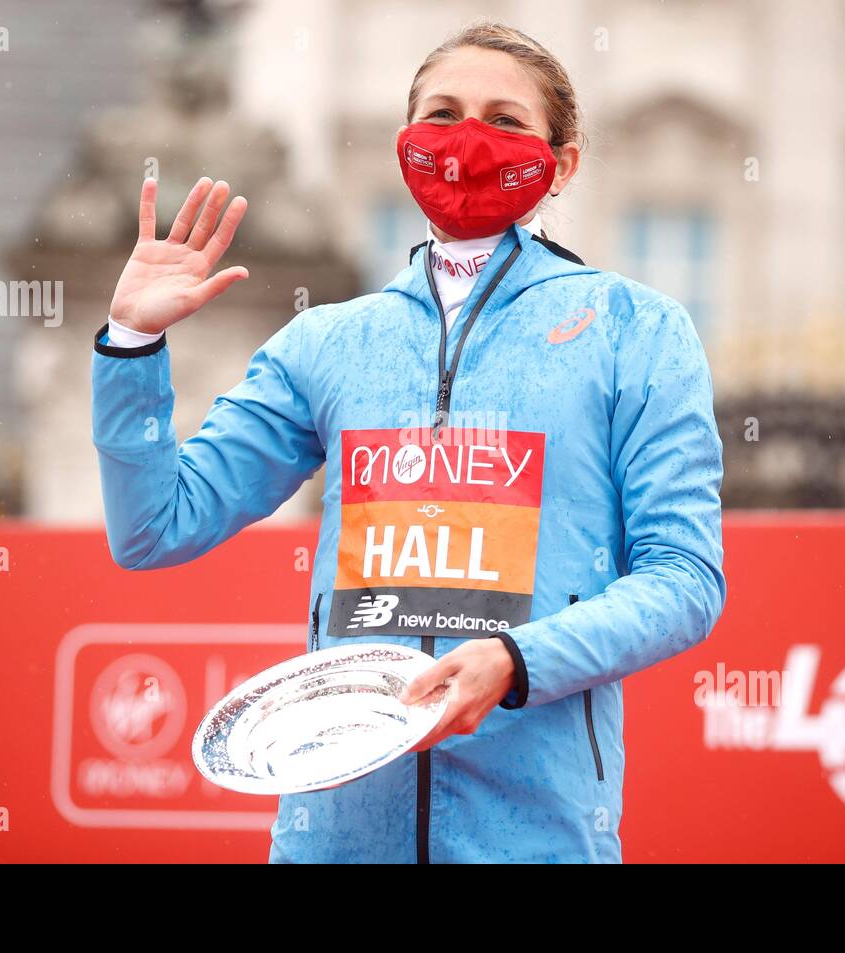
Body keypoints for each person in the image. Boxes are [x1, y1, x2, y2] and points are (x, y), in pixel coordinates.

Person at [91, 20, 725, 863]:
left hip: (538, 835)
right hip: (336, 836)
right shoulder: (326, 343)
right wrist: (131, 345)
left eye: (505, 121)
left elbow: (685, 579)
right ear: (405, 144)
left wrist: (515, 659)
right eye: (444, 112)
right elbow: (153, 527)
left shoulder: (634, 329)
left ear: (562, 162)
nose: (469, 140)